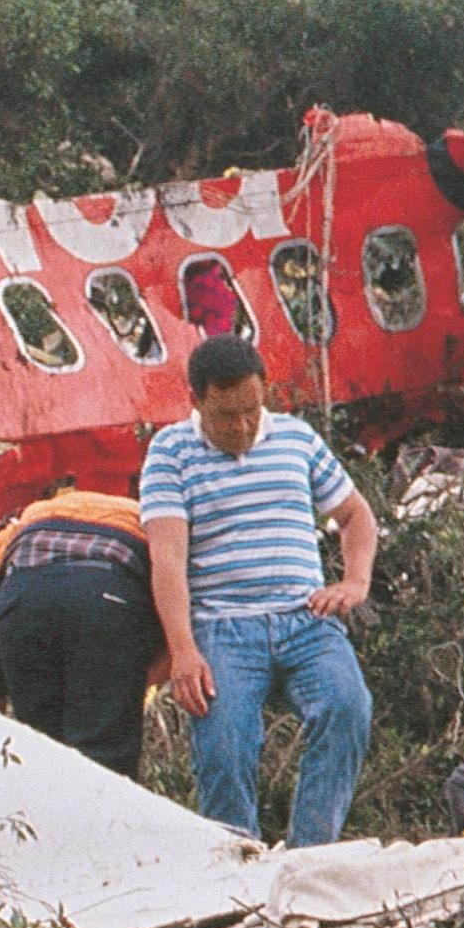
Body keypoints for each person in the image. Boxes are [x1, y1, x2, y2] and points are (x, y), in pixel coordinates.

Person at [140, 333, 376, 845]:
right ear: (196, 401)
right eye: (226, 415)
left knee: (347, 706)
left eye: (252, 409)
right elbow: (168, 556)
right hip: (222, 628)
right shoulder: (170, 451)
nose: (243, 426)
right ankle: (235, 868)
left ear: (265, 390)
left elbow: (355, 515)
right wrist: (183, 651)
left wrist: (355, 581)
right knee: (224, 746)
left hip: (305, 619)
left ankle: (309, 855)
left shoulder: (297, 438)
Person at [0, 491, 164, 779]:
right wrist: (135, 684)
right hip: (106, 594)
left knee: (41, 743)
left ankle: (42, 817)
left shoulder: (30, 519)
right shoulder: (153, 521)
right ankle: (101, 821)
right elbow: (180, 605)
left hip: (24, 597)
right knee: (103, 752)